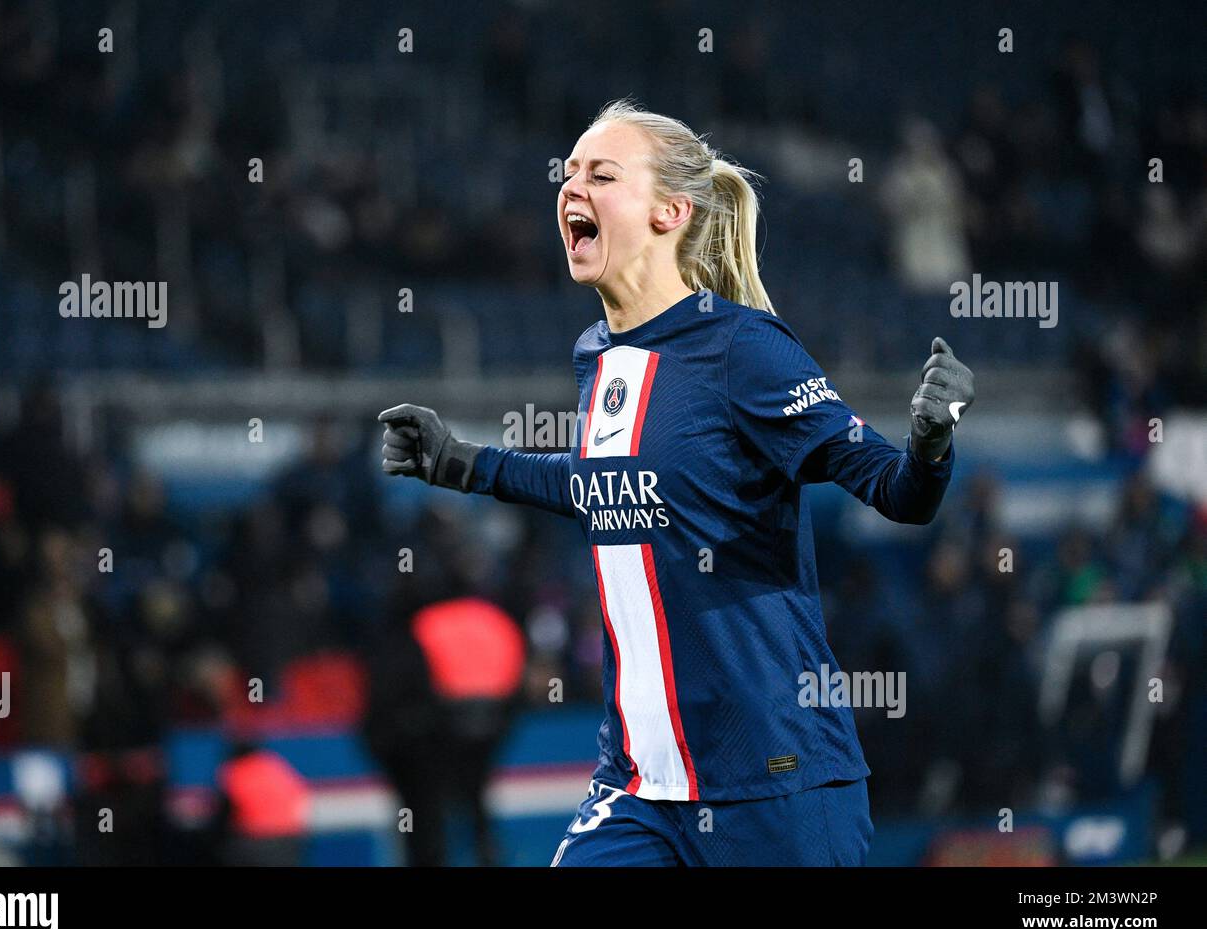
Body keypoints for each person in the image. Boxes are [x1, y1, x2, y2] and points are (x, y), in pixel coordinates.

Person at [378, 99, 975, 866]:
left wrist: (929, 443)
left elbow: (901, 495)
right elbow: (609, 488)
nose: (571, 189)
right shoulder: (598, 353)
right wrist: (458, 462)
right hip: (638, 788)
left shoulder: (744, 349)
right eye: (567, 176)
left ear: (670, 211)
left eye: (601, 174)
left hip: (773, 782)